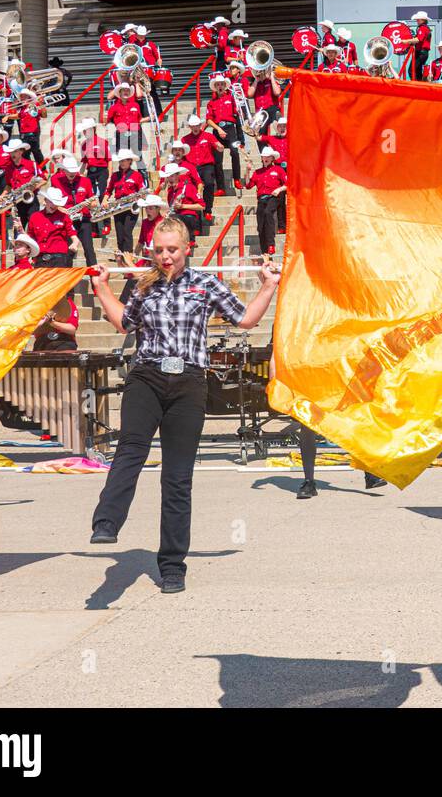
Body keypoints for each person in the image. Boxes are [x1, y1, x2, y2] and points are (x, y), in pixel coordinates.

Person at [87, 217, 280, 594]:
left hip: (189, 383)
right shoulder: (144, 285)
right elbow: (123, 324)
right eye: (159, 250)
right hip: (146, 376)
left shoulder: (206, 284)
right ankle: (106, 522)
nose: (165, 257)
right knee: (130, 450)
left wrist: (269, 286)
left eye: (172, 250)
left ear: (187, 248)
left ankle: (173, 565)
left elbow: (245, 319)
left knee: (177, 477)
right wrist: (100, 288)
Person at [51, 155, 98, 267]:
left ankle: (95, 278)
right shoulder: (55, 180)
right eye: (68, 171)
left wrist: (91, 204)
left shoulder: (85, 181)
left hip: (83, 219)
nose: (72, 174)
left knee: (89, 249)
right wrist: (59, 208)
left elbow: (93, 201)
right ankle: (67, 279)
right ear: (63, 170)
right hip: (66, 219)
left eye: (73, 171)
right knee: (68, 251)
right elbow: (51, 201)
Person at [104, 149, 146, 253]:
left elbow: (142, 191)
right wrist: (104, 200)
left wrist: (139, 197)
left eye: (125, 160)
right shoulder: (115, 175)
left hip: (131, 207)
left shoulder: (137, 175)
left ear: (130, 161)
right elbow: (109, 190)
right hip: (118, 206)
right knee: (119, 233)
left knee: (127, 232)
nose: (122, 162)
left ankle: (128, 256)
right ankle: (121, 256)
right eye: (121, 160)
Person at [27, 186, 80, 267]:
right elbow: (30, 238)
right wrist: (30, 255)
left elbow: (73, 235)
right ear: (45, 200)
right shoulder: (34, 217)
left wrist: (75, 243)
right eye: (51, 202)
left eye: (56, 203)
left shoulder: (64, 217)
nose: (54, 205)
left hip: (59, 258)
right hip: (41, 258)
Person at [247, 147, 286, 256]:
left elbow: (288, 183)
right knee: (260, 226)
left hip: (274, 197)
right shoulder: (258, 172)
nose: (266, 158)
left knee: (268, 212)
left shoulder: (279, 170)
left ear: (272, 158)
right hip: (261, 199)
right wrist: (247, 171)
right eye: (264, 156)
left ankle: (271, 244)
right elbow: (248, 185)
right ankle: (265, 250)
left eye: (268, 156)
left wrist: (279, 189)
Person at [204, 74, 239, 197]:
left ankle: (237, 179)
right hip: (218, 130)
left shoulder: (232, 98)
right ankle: (221, 188)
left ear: (225, 86)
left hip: (230, 128)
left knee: (235, 151)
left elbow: (238, 115)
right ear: (215, 87)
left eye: (222, 84)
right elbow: (208, 120)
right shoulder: (211, 103)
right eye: (218, 84)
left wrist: (241, 137)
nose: (220, 86)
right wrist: (218, 129)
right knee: (217, 160)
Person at [13, 90, 46, 165]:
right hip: (24, 134)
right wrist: (8, 116)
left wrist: (41, 104)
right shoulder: (23, 108)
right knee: (25, 154)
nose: (21, 98)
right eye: (21, 96)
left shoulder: (35, 105)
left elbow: (44, 115)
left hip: (33, 133)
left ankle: (43, 169)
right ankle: (30, 168)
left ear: (29, 96)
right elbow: (19, 116)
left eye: (23, 96)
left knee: (36, 152)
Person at [411, 11, 432, 82]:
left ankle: (416, 87)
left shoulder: (422, 28)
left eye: (418, 19)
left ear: (422, 20)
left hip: (421, 53)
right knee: (417, 71)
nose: (416, 20)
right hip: (422, 53)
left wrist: (405, 41)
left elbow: (418, 39)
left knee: (412, 71)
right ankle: (420, 85)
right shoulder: (424, 28)